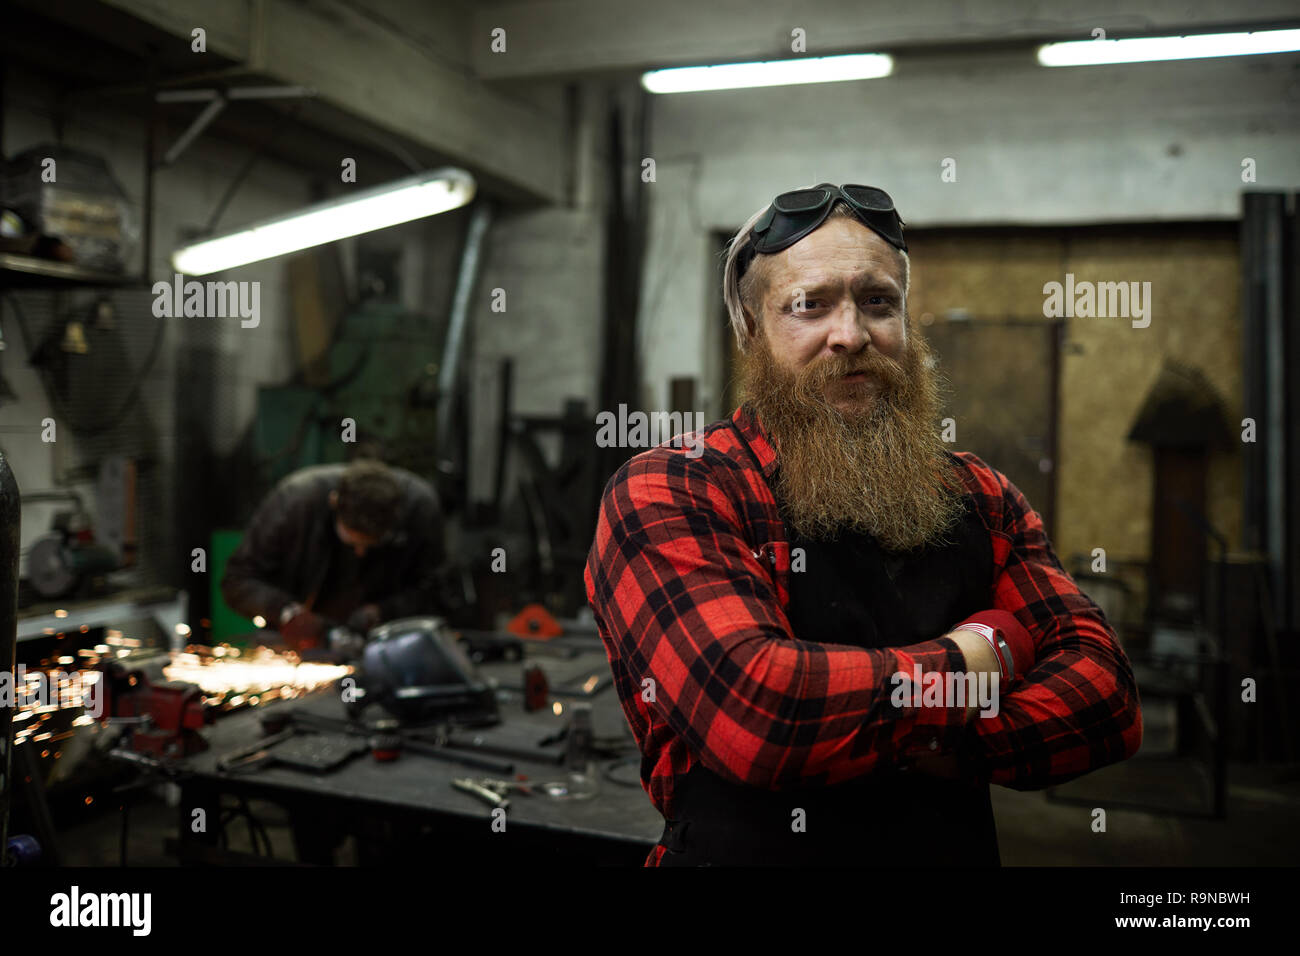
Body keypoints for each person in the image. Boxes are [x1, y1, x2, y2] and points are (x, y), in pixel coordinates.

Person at [585, 183, 1143, 866]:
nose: (850, 335)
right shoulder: (673, 489)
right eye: (808, 305)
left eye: (878, 302)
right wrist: (982, 656)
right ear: (750, 329)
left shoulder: (979, 495)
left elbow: (1106, 699)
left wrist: (945, 740)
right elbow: (760, 713)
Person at [222, 459, 445, 652]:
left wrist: (384, 611)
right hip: (297, 646)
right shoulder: (295, 503)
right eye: (353, 542)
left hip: (382, 644)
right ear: (334, 502)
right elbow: (237, 580)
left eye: (372, 545)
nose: (360, 552)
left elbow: (436, 591)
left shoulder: (420, 509)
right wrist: (286, 611)